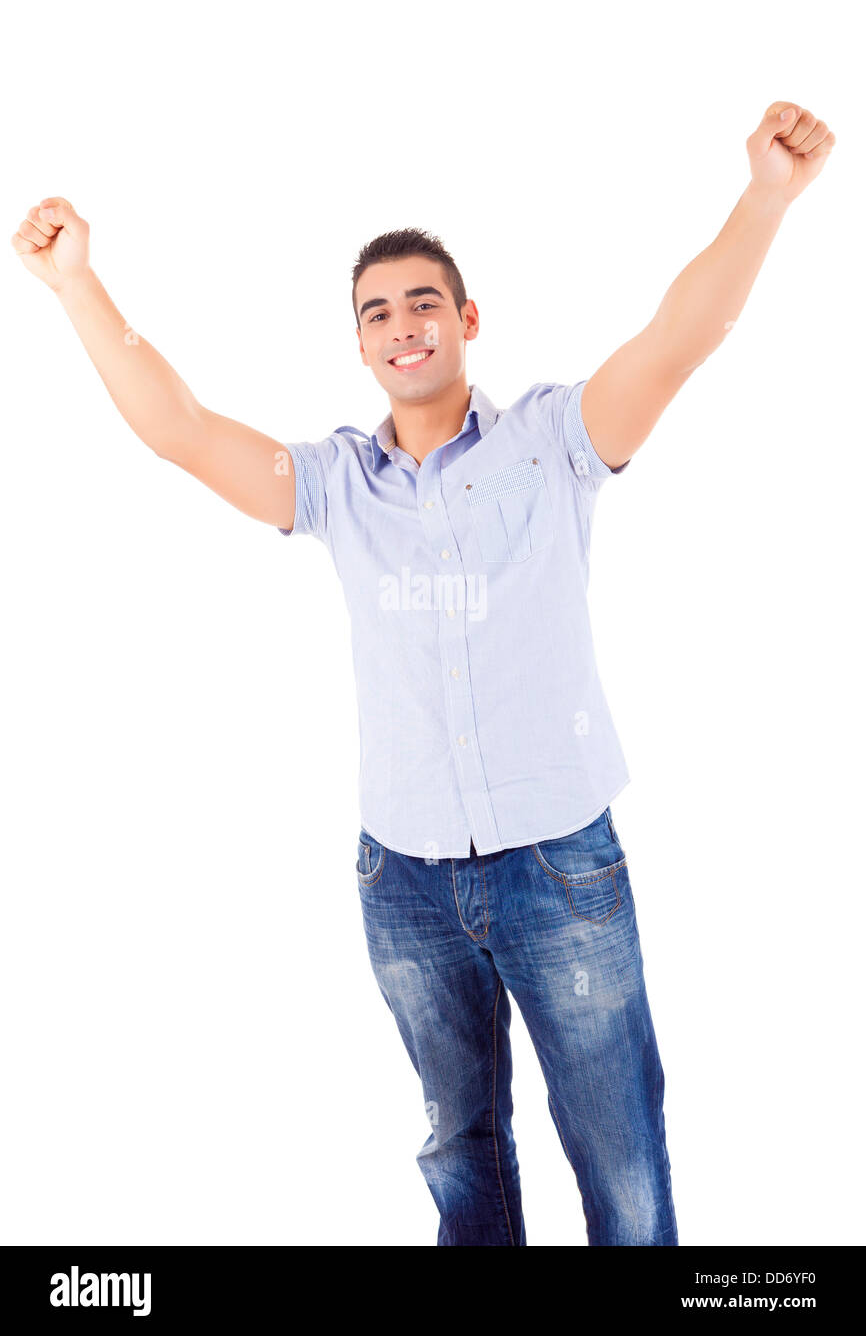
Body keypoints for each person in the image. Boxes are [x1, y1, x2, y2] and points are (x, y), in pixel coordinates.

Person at [11, 101, 835, 1246]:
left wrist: (763, 199)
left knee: (619, 1155)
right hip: (400, 877)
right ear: (358, 345)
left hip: (558, 866)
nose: (402, 325)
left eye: (422, 304)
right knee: (459, 1150)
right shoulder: (335, 486)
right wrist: (74, 287)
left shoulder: (552, 442)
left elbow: (674, 339)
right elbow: (181, 429)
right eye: (376, 313)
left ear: (465, 321)